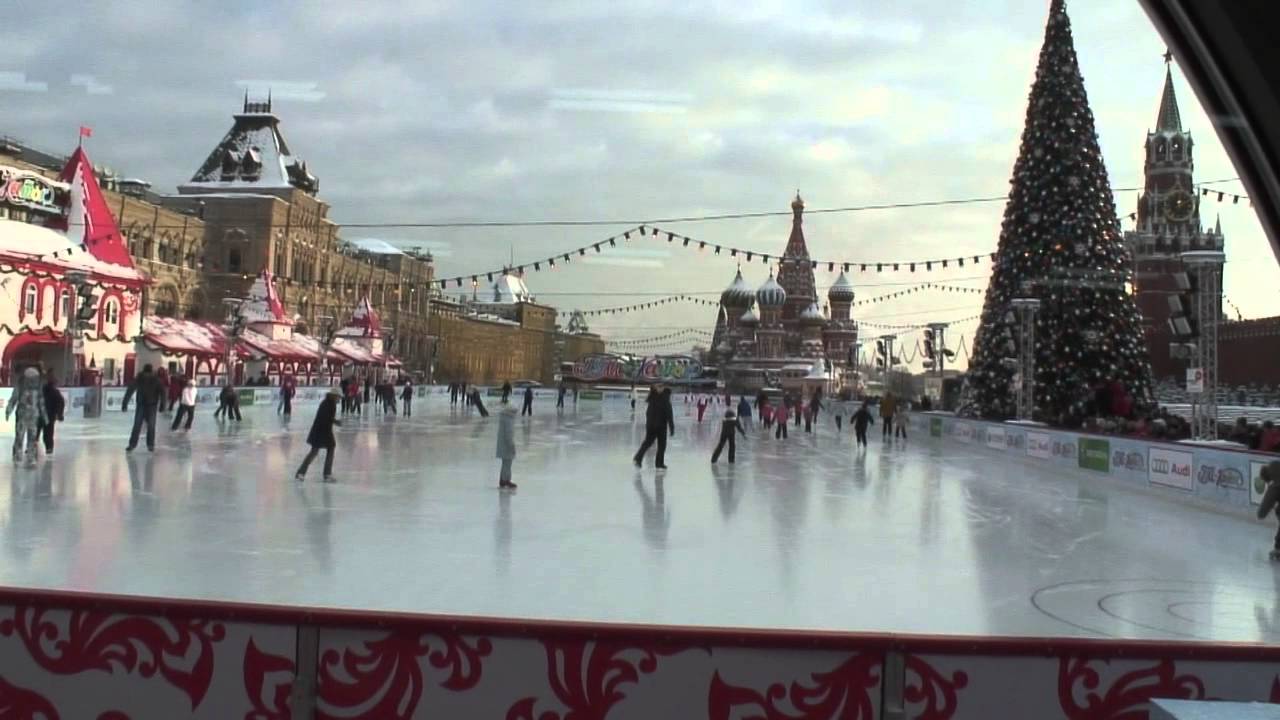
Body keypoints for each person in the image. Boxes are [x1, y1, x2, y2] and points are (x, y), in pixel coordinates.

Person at [296, 388, 341, 481]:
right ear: (334, 396)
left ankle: (301, 472)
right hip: (321, 431)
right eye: (338, 397)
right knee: (316, 451)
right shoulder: (329, 404)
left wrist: (334, 422)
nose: (339, 399)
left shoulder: (329, 403)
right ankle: (326, 474)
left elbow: (327, 418)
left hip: (322, 431)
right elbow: (325, 418)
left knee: (319, 451)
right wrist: (335, 422)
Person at [6, 367, 46, 464]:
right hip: (22, 416)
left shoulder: (38, 388)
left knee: (32, 437)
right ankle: (17, 456)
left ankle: (31, 456)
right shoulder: (20, 387)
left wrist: (45, 416)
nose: (33, 381)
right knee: (20, 436)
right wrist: (8, 410)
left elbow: (41, 402)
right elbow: (13, 399)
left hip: (33, 416)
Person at [122, 364, 164, 452]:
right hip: (152, 405)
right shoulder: (156, 379)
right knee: (151, 426)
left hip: (141, 404)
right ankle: (150, 445)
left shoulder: (139, 378)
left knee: (137, 425)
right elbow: (162, 393)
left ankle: (132, 445)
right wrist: (162, 405)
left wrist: (125, 403)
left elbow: (130, 390)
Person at [633, 384, 675, 469]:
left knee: (647, 442)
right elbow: (669, 415)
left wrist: (649, 423)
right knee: (662, 445)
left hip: (650, 425)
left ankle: (638, 457)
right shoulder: (665, 400)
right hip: (661, 427)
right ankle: (659, 463)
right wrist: (672, 427)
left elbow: (648, 413)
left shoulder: (652, 398)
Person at [38, 371, 65, 455]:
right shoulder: (54, 392)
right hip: (47, 416)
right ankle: (48, 448)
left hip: (42, 416)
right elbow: (61, 403)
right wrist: (59, 414)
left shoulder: (43, 391)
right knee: (47, 433)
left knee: (41, 432)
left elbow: (60, 403)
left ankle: (45, 447)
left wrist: (59, 414)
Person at [496, 397, 518, 489]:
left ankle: (503, 480)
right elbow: (509, 434)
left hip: (502, 445)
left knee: (505, 464)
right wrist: (512, 446)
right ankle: (505, 481)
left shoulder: (504, 417)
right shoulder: (508, 420)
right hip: (506, 446)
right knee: (507, 464)